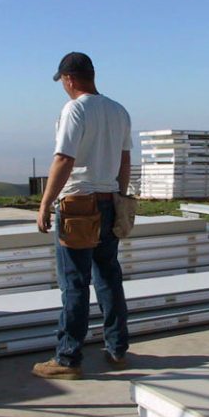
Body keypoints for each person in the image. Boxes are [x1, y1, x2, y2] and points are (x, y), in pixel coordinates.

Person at [32, 52, 133, 380]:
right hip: (107, 201)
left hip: (77, 205)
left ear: (69, 78)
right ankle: (117, 348)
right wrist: (119, 197)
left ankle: (68, 358)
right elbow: (124, 161)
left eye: (62, 81)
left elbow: (64, 159)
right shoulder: (119, 111)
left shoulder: (75, 109)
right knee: (108, 276)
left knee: (75, 282)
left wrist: (46, 203)